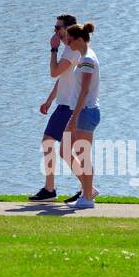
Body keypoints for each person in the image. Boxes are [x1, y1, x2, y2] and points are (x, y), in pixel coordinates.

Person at [30, 14, 80, 202]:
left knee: (63, 150)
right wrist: (49, 100)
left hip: (70, 107)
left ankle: (86, 188)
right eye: (55, 28)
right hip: (63, 105)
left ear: (68, 29)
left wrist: (53, 49)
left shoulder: (73, 51)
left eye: (58, 28)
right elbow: (62, 78)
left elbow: (54, 72)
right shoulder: (69, 49)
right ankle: (50, 189)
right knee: (50, 144)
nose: (56, 31)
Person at [62, 22, 100, 209]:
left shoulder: (86, 60)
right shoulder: (85, 57)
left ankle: (87, 198)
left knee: (83, 154)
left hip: (85, 112)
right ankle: (88, 192)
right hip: (85, 111)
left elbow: (84, 91)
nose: (68, 44)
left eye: (70, 40)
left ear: (79, 39)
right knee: (68, 150)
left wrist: (73, 117)